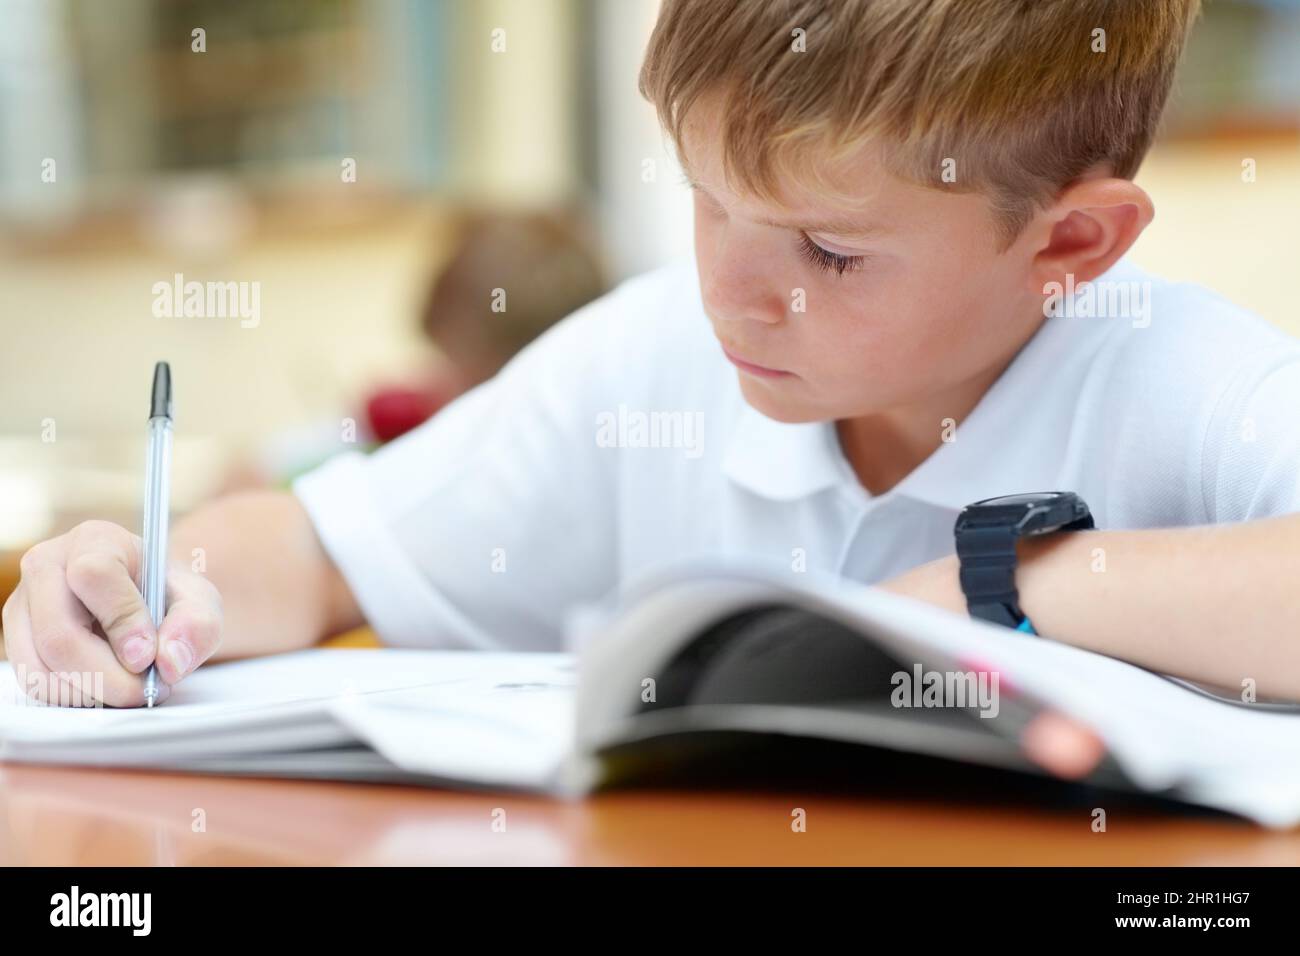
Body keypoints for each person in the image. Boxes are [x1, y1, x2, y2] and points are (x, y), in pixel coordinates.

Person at [6, 0, 1293, 781]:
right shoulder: (653, 363)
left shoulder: (1177, 380)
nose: (731, 291)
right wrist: (138, 580)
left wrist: (1009, 586)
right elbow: (315, 548)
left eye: (829, 251)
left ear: (1068, 245)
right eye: (704, 197)